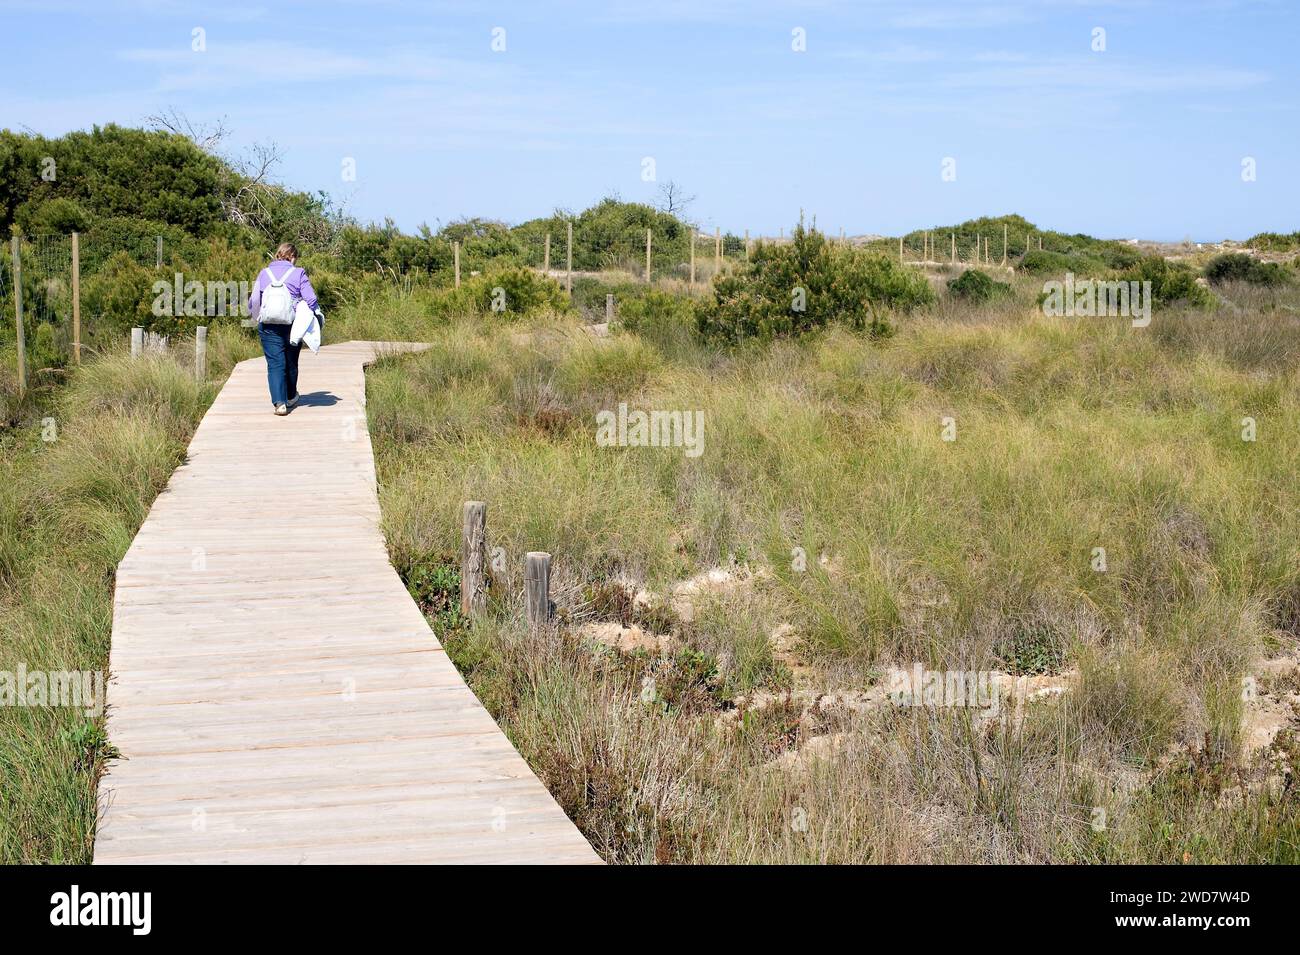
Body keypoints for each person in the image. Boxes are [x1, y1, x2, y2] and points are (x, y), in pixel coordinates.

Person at [248, 243, 324, 415]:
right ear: (292, 257)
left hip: (268, 326)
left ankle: (279, 403)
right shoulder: (298, 273)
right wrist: (315, 316)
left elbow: (254, 301)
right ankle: (291, 396)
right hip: (293, 324)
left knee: (275, 364)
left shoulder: (264, 273)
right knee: (290, 362)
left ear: (278, 255)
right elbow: (311, 299)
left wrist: (257, 316)